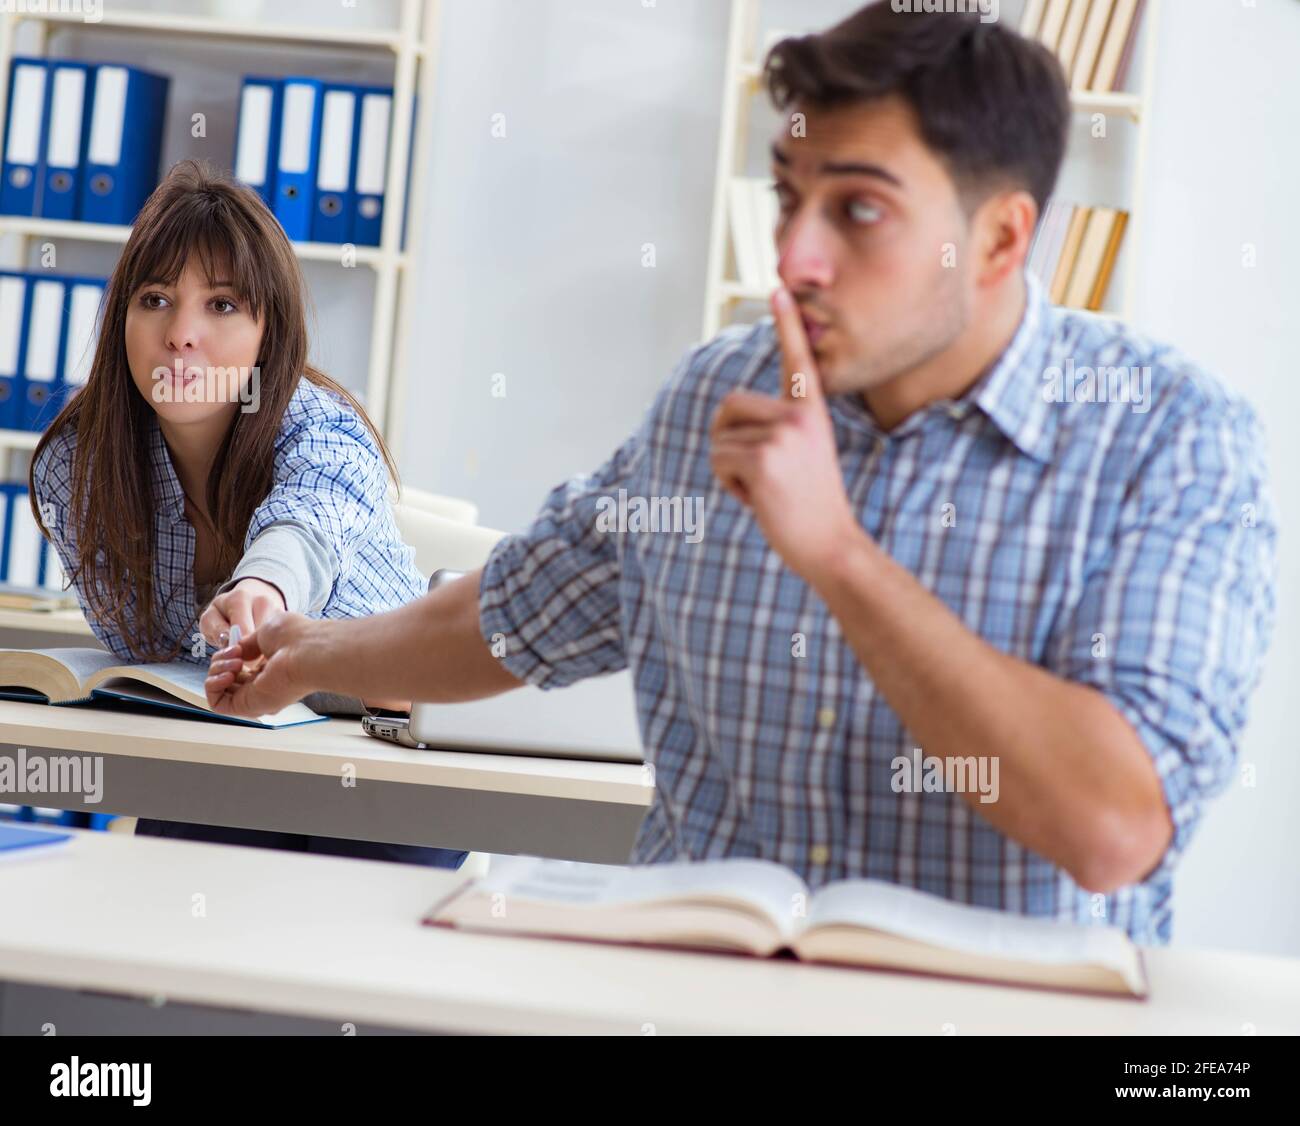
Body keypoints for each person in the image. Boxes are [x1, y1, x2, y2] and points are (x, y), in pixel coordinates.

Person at [203, 6, 1275, 942]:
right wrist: (307, 655)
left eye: (856, 209)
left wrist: (839, 555)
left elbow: (1114, 827)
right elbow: (521, 611)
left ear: (998, 241)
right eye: (787, 196)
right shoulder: (720, 391)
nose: (794, 254)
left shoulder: (1169, 437)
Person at [31, 159, 466, 870]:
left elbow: (306, 525)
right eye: (155, 299)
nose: (181, 335)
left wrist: (258, 593)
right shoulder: (79, 464)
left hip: (385, 767)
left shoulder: (319, 427)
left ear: (271, 330)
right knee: (172, 901)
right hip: (227, 761)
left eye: (223, 305)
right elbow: (138, 651)